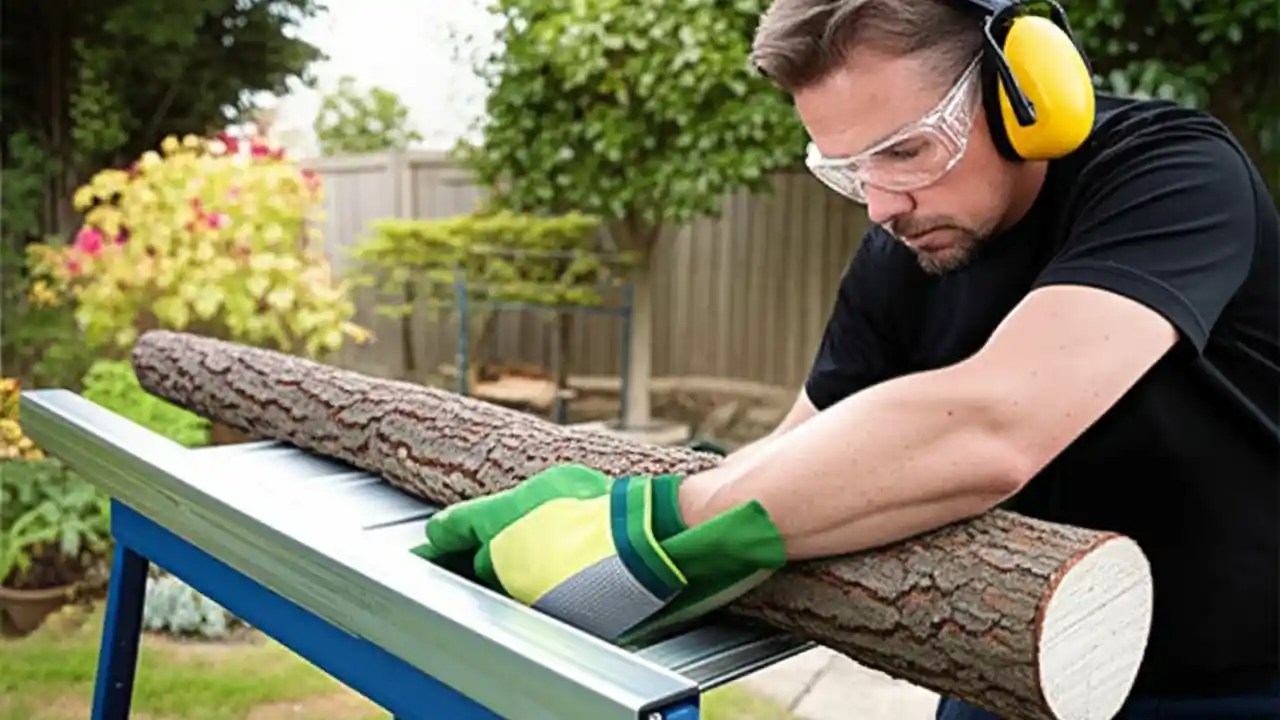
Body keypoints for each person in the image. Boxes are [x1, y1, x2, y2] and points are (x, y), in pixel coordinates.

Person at [416, 0, 1279, 716]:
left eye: (905, 150)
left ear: (1027, 90)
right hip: (1015, 672)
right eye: (847, 169)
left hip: (1228, 685)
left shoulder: (1171, 177)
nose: (880, 205)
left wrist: (663, 521)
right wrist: (632, 528)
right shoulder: (904, 248)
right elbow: (807, 443)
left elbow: (992, 427)